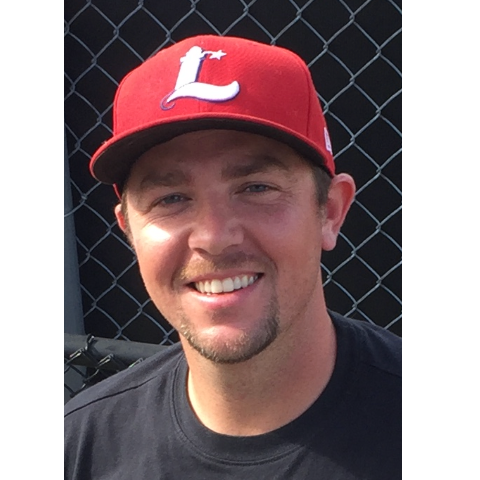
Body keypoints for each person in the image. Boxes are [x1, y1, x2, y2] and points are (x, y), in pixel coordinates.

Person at [64, 34, 402, 479]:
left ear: (331, 212)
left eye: (256, 188)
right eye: (170, 198)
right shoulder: (83, 445)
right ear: (129, 230)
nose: (214, 237)